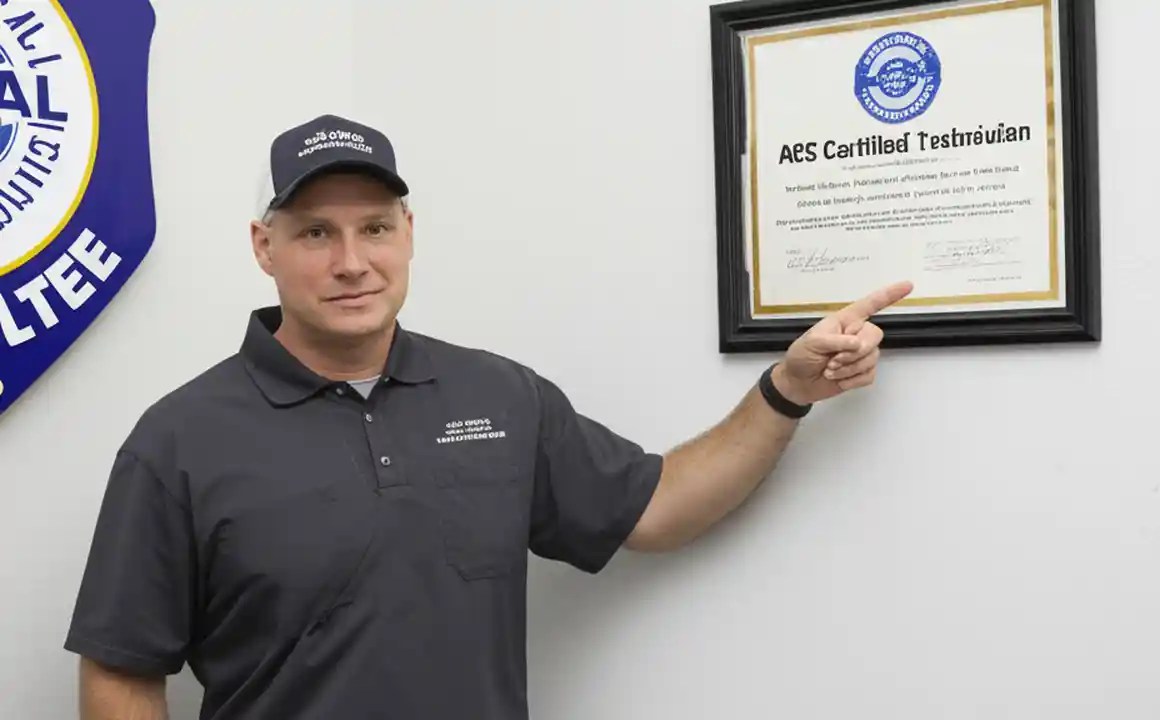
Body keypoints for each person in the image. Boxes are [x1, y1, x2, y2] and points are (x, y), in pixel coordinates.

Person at [64, 114, 912, 720]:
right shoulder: (179, 439)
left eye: (376, 227)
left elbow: (658, 506)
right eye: (316, 232)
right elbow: (121, 672)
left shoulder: (499, 397)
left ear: (409, 233)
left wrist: (787, 389)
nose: (353, 262)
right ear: (264, 247)